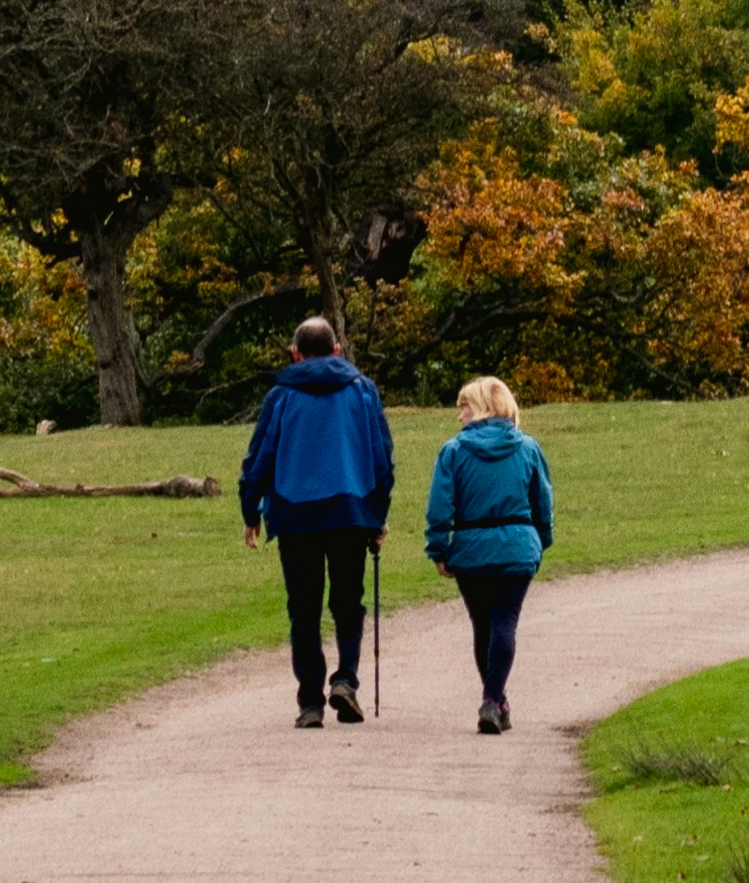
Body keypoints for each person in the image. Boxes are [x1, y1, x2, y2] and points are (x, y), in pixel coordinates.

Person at [235, 315, 393, 727]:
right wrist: (379, 515)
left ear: (295, 353)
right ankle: (346, 679)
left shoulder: (281, 396)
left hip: (295, 513)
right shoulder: (362, 390)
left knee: (303, 610)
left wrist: (250, 511)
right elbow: (381, 458)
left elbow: (259, 458)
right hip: (351, 509)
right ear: (337, 350)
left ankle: (310, 701)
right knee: (347, 603)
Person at [418, 375, 555, 735]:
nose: (459, 415)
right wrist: (540, 541)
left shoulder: (453, 452)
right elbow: (543, 503)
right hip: (516, 547)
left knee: (483, 625)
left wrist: (439, 548)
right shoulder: (528, 448)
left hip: (471, 549)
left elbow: (439, 508)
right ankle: (495, 699)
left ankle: (494, 700)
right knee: (504, 622)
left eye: (464, 406)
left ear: (482, 407)